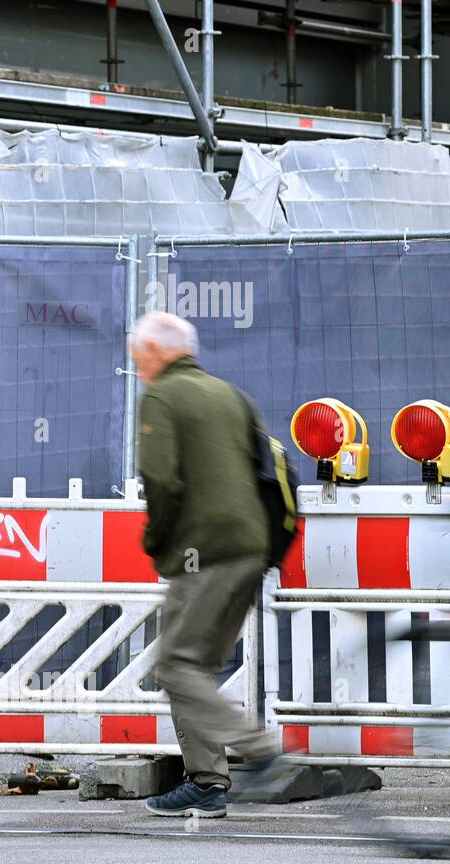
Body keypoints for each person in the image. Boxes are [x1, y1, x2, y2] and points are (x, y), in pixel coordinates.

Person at [131, 312, 278, 819]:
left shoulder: (162, 397)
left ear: (154, 350)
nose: (137, 368)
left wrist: (157, 542)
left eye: (138, 357)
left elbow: (162, 480)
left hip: (203, 551)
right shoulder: (231, 395)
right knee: (194, 669)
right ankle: (207, 784)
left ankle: (256, 749)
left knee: (175, 665)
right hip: (251, 548)